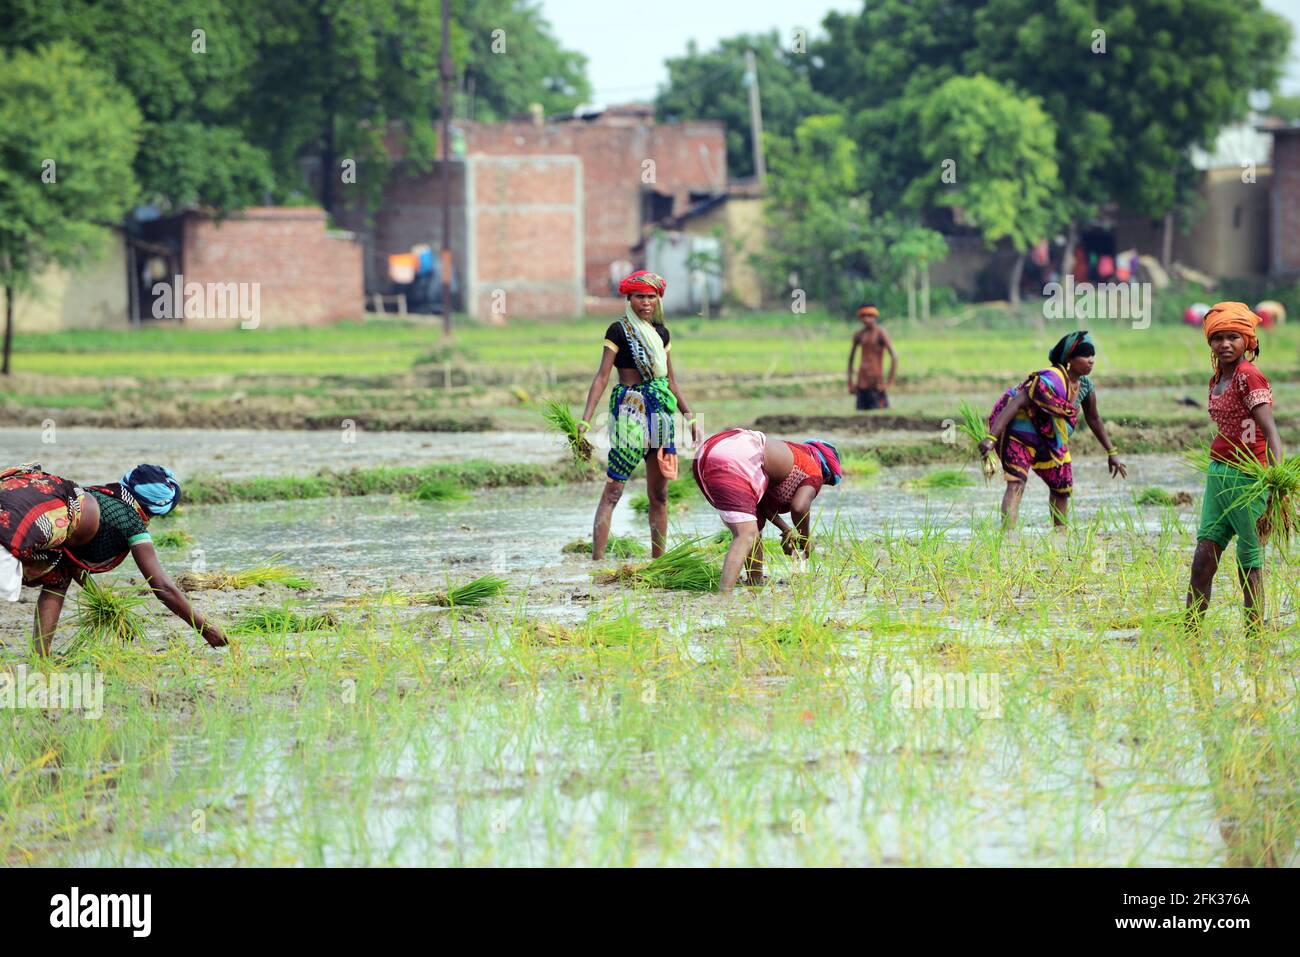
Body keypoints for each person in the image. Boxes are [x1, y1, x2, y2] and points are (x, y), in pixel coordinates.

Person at [21, 464, 228, 656]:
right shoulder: (131, 522)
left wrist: (106, 606)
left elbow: (73, 565)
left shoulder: (98, 494)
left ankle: (40, 657)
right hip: (25, 529)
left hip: (31, 515)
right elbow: (163, 587)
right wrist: (206, 629)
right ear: (154, 508)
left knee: (58, 579)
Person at [578, 270, 698, 560]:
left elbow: (670, 380)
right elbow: (601, 377)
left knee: (660, 495)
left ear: (658, 299)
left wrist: (690, 418)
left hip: (661, 414)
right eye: (640, 297)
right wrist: (585, 420)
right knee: (613, 490)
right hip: (629, 412)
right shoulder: (618, 331)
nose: (646, 302)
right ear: (629, 298)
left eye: (651, 297)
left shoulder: (662, 334)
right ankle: (597, 562)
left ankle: (660, 561)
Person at [1185, 302, 1283, 635]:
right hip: (1219, 476)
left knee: (1248, 563)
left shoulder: (1248, 377)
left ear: (1248, 342)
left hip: (1248, 478)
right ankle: (1190, 631)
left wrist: (1275, 486)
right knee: (1203, 559)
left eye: (1233, 338)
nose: (1225, 344)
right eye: (1218, 338)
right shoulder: (1218, 377)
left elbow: (1271, 433)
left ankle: (1255, 637)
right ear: (1210, 343)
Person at [977, 330, 1127, 528]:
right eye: (1085, 355)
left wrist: (1111, 452)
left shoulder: (1085, 387)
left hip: (1050, 440)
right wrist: (991, 437)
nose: (1091, 360)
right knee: (1016, 483)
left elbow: (1094, 418)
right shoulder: (1053, 379)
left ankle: (1061, 537)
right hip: (1021, 433)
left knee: (1061, 488)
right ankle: (1008, 540)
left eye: (1092, 355)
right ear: (1070, 359)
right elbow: (1016, 403)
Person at [692, 429, 842, 594]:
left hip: (709, 451)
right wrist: (805, 541)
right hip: (739, 458)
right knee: (745, 535)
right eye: (826, 482)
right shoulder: (813, 470)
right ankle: (724, 597)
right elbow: (800, 508)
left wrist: (786, 529)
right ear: (826, 472)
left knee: (752, 529)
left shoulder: (787, 456)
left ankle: (755, 582)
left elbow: (761, 505)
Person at [847, 304, 897, 410]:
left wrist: (889, 382)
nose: (866, 319)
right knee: (861, 417)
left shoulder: (880, 333)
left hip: (876, 384)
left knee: (880, 414)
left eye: (869, 316)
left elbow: (894, 356)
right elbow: (851, 359)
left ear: (875, 317)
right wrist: (850, 382)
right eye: (863, 316)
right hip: (861, 384)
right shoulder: (859, 335)